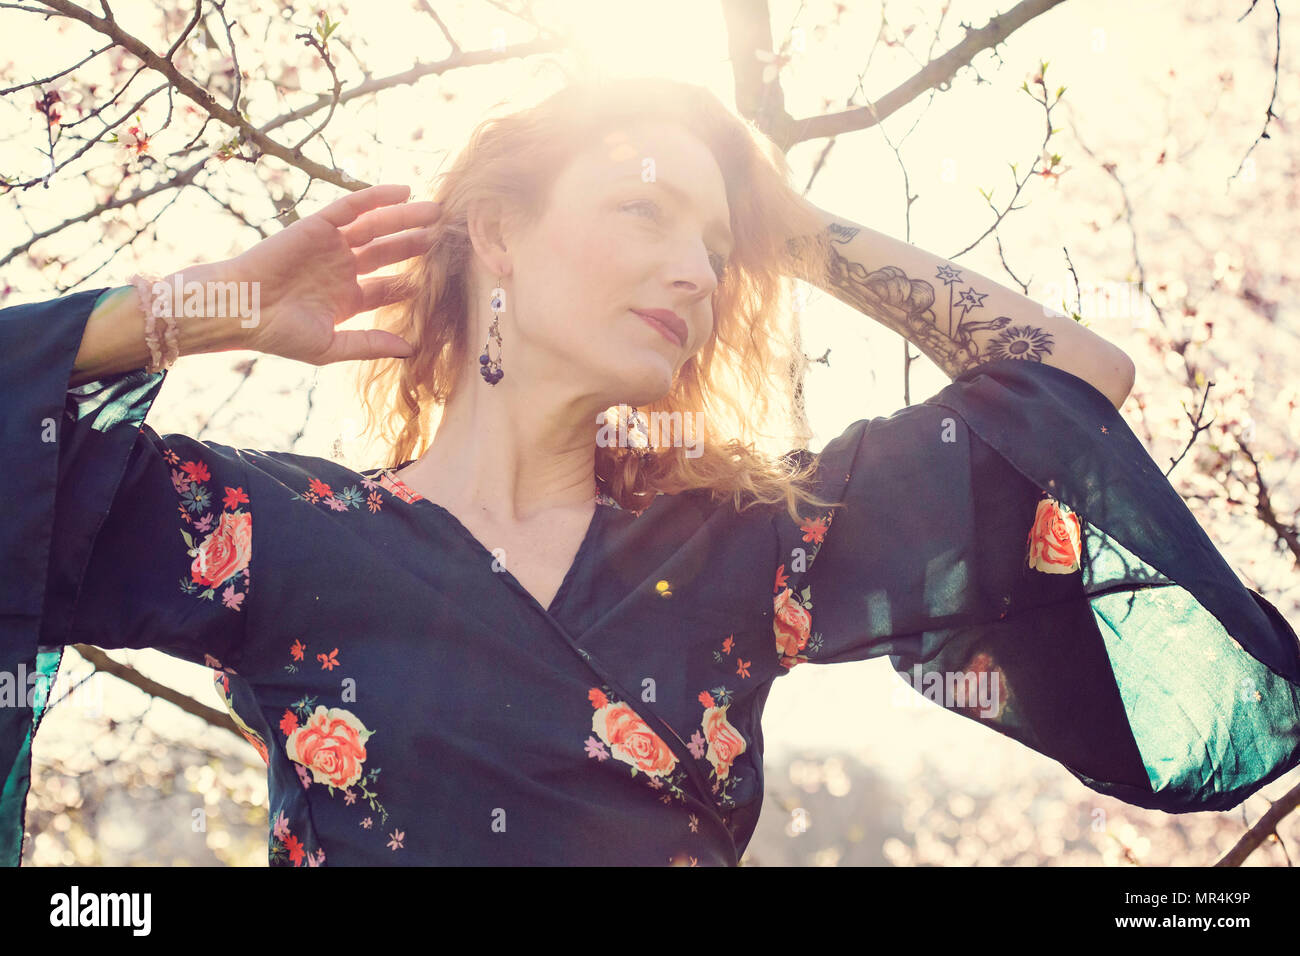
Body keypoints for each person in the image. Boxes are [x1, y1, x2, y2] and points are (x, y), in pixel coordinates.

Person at [3, 78, 1298, 867]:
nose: (696, 268)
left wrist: (795, 232)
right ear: (497, 232)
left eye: (716, 245)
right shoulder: (272, 535)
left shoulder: (752, 541)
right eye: (642, 211)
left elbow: (1069, 381)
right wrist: (209, 305)